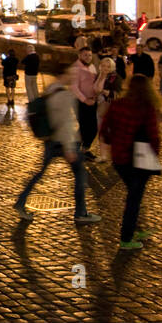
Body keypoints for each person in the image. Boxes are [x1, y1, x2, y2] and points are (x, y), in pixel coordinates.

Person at [14, 78, 101, 225]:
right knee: (80, 174)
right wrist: (69, 148)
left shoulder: (51, 88)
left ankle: (21, 201)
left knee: (40, 173)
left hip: (50, 140)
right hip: (64, 142)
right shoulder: (64, 95)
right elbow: (65, 121)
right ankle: (81, 213)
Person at [100, 74, 161, 250]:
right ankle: (126, 238)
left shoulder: (118, 105)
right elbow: (154, 137)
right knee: (133, 199)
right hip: (139, 162)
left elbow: (104, 128)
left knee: (134, 194)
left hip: (119, 159)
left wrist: (113, 141)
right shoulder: (146, 109)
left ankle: (138, 228)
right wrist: (154, 157)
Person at [72, 47, 99, 161]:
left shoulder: (92, 67)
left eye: (89, 55)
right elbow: (74, 87)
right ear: (80, 55)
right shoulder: (76, 68)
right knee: (84, 127)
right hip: (81, 102)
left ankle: (82, 149)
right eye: (85, 55)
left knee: (93, 127)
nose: (88, 57)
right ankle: (80, 150)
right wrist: (84, 100)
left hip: (93, 100)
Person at [95, 57, 119, 163]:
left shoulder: (116, 78)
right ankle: (103, 155)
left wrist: (106, 92)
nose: (106, 68)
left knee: (113, 132)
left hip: (111, 107)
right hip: (100, 107)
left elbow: (119, 93)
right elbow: (95, 89)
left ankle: (116, 156)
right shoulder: (99, 76)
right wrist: (102, 77)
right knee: (101, 132)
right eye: (103, 66)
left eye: (108, 66)